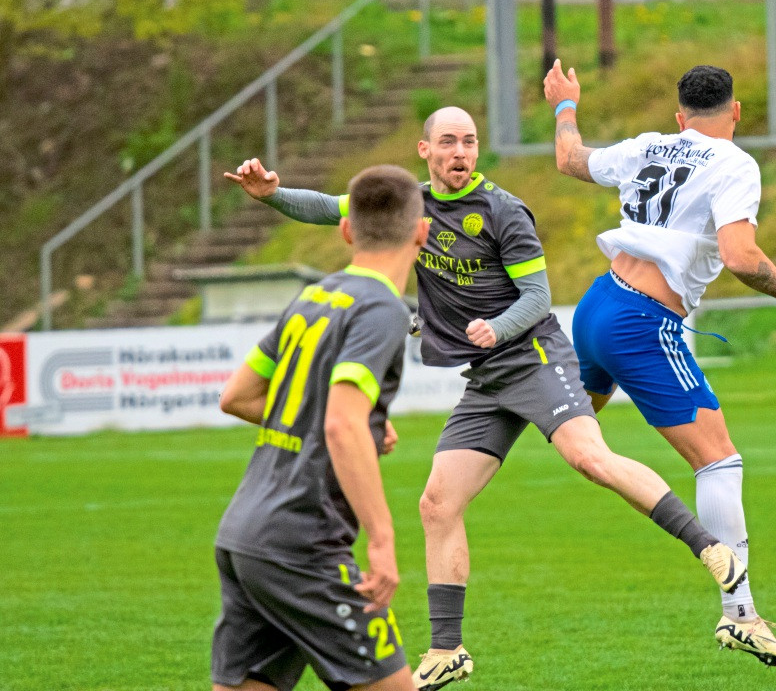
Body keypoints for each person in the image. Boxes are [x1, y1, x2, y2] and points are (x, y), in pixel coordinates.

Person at [224, 106, 747, 691]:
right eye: (448, 142)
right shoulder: (410, 206)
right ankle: (447, 648)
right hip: (487, 377)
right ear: (425, 151)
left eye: (469, 142)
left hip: (533, 356)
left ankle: (711, 550)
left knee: (588, 458)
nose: (460, 152)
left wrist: (497, 328)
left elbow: (537, 297)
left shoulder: (502, 210)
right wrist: (271, 194)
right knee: (437, 503)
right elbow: (327, 208)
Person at [543, 61, 776, 672]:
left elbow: (570, 159)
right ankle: (740, 614)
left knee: (573, 430)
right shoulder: (736, 165)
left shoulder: (651, 145)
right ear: (736, 111)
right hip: (641, 325)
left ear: (679, 118)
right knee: (718, 458)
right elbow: (741, 257)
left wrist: (565, 106)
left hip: (596, 304)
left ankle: (496, 399)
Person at [212, 164, 428, 691]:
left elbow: (237, 397)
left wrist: (352, 426)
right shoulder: (383, 310)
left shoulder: (313, 296)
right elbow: (340, 423)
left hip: (244, 535)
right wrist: (381, 539)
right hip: (301, 544)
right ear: (422, 233)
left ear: (346, 229)